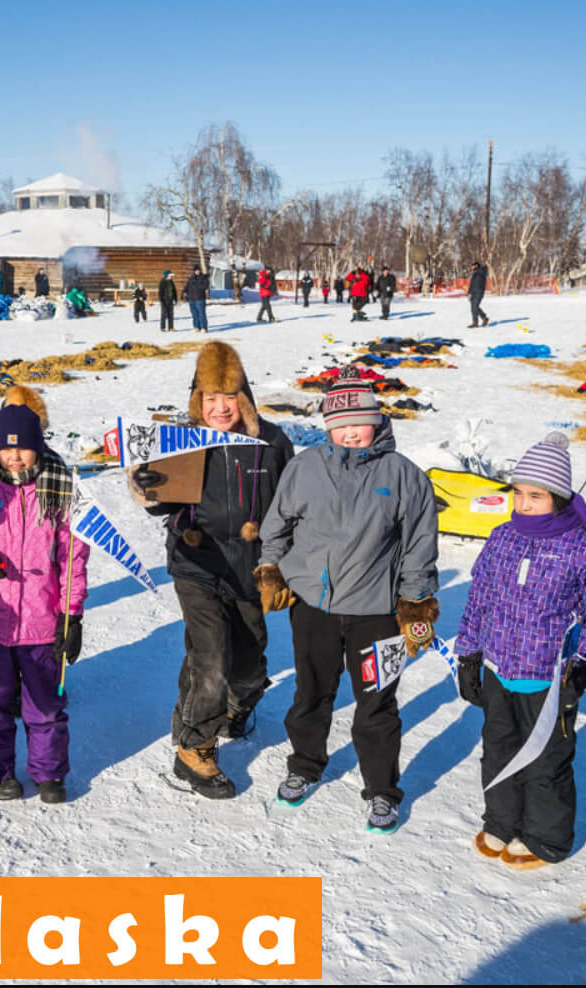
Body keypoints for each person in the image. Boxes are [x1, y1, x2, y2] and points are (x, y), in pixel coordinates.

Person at [256, 366, 439, 833]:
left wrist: (415, 605)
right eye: (340, 425)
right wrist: (272, 569)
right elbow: (276, 526)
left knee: (377, 703)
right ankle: (304, 765)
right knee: (311, 693)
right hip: (314, 606)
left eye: (360, 422)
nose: (351, 432)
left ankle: (382, 790)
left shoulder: (404, 476)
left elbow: (419, 544)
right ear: (328, 428)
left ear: (378, 422)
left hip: (376, 613)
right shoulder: (305, 467)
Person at [454, 433, 586, 868]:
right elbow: (479, 600)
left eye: (537, 495)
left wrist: (581, 671)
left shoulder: (581, 548)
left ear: (560, 499)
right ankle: (502, 821)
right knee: (497, 749)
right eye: (519, 493)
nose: (525, 503)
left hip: (548, 679)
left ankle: (545, 838)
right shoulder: (502, 537)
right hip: (498, 669)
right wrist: (469, 655)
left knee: (545, 763)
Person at [136, 342, 295, 798]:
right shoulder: (182, 440)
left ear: (242, 398)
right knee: (211, 655)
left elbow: (293, 503)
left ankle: (233, 708)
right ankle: (194, 747)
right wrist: (149, 486)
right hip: (197, 561)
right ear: (196, 402)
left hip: (249, 566)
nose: (219, 408)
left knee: (248, 663)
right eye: (209, 399)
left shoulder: (271, 441)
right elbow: (159, 502)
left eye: (227, 398)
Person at [0, 402, 88, 804]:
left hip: (41, 621)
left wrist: (72, 615)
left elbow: (73, 557)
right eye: (5, 447)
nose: (14, 455)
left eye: (23, 447)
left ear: (38, 447)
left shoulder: (60, 492)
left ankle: (48, 772)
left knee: (45, 705)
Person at [185, 264, 210, 332]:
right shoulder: (191, 278)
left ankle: (203, 328)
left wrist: (198, 283)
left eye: (198, 270)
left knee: (201, 314)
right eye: (196, 270)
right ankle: (196, 327)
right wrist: (184, 293)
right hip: (191, 299)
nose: (197, 271)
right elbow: (187, 286)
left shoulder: (203, 278)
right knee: (194, 314)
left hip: (200, 298)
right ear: (194, 271)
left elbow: (205, 286)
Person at [467, 261, 489, 328]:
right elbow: (472, 284)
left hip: (479, 292)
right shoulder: (475, 273)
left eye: (472, 265)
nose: (471, 267)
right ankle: (483, 318)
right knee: (473, 307)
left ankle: (476, 322)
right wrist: (469, 293)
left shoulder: (481, 271)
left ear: (476, 265)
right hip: (473, 292)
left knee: (475, 306)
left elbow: (483, 270)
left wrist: (482, 267)